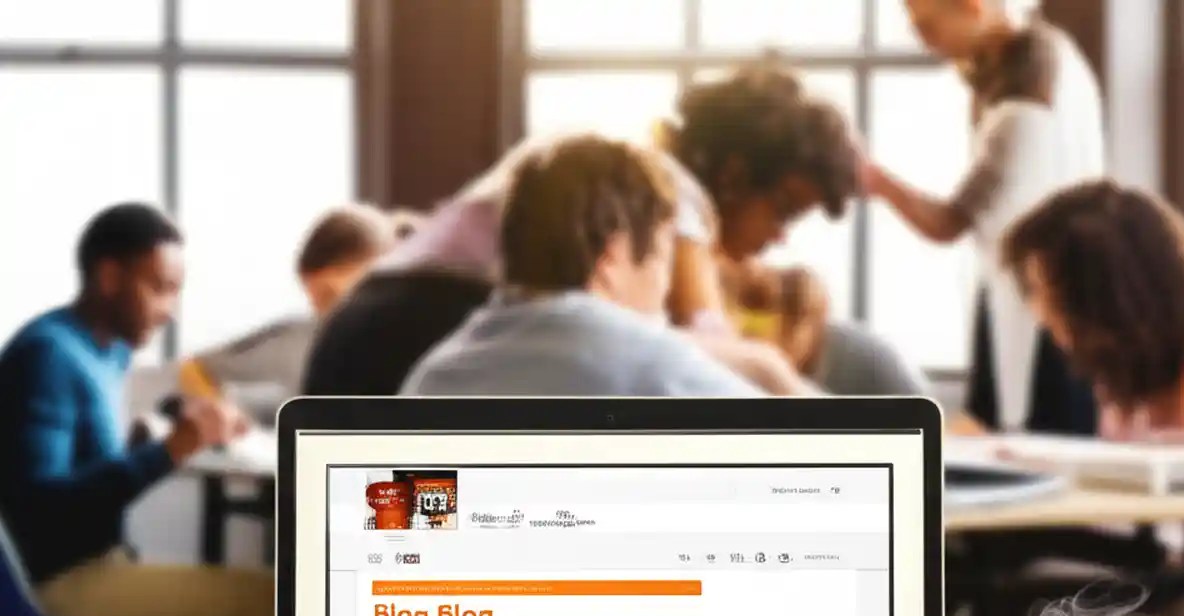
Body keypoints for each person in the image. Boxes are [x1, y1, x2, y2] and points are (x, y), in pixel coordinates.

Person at [307, 61, 919, 398]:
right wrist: (775, 372)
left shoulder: (597, 164)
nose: (781, 237)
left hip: (359, 345)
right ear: (736, 174)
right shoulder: (655, 191)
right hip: (410, 330)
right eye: (784, 209)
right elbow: (704, 351)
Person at [0, 203, 274, 616]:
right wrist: (173, 449)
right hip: (60, 587)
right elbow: (40, 507)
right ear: (108, 276)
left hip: (98, 566)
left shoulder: (105, 351)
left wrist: (166, 423)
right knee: (271, 606)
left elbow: (89, 454)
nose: (170, 308)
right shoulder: (49, 355)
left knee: (260, 606)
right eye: (159, 287)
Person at [1004, 180, 1184, 567]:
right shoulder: (1123, 374)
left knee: (1020, 568)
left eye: (1044, 289)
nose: (1040, 311)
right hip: (1168, 559)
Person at [862, 0, 1106, 434]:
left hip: (1035, 301)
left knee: (1030, 440)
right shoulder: (1060, 60)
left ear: (973, 8)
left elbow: (947, 222)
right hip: (1063, 292)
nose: (922, 40)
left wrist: (873, 178)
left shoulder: (1021, 114)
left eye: (928, 26)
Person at [400, 136, 763, 397]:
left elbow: (407, 502)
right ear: (613, 256)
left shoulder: (433, 375)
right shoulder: (650, 365)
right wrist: (776, 377)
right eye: (662, 260)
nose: (664, 291)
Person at [178, 203, 397, 406]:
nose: (326, 313)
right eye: (315, 299)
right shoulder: (298, 340)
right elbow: (194, 368)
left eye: (331, 295)